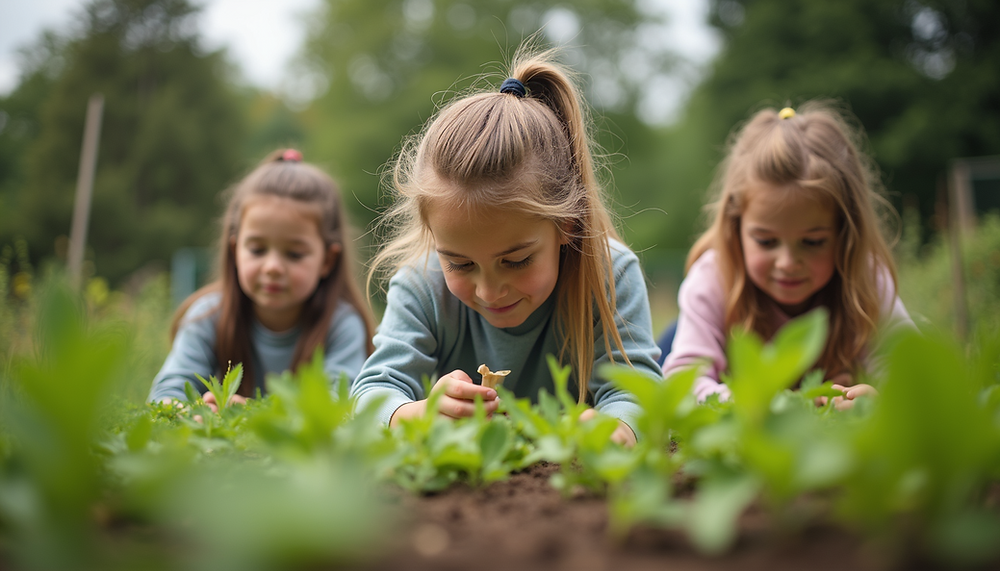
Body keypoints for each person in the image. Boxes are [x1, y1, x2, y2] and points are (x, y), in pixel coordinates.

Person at [350, 48, 662, 446]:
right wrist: (412, 415)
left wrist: (617, 430)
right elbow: (374, 390)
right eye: (460, 264)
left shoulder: (610, 275)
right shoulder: (420, 284)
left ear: (566, 225)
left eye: (515, 261)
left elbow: (638, 391)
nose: (489, 291)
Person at [662, 103, 913, 410]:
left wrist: (878, 399)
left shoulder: (865, 279)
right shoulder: (712, 278)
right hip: (695, 353)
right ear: (735, 226)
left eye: (813, 242)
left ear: (846, 235)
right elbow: (684, 381)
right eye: (766, 241)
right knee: (667, 345)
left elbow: (909, 371)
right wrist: (750, 404)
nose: (787, 263)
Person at [148, 149, 375, 410]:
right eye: (257, 250)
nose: (273, 267)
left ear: (327, 260)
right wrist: (191, 412)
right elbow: (167, 392)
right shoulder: (206, 317)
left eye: (294, 254)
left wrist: (254, 417)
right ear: (235, 251)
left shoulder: (342, 325)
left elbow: (337, 404)